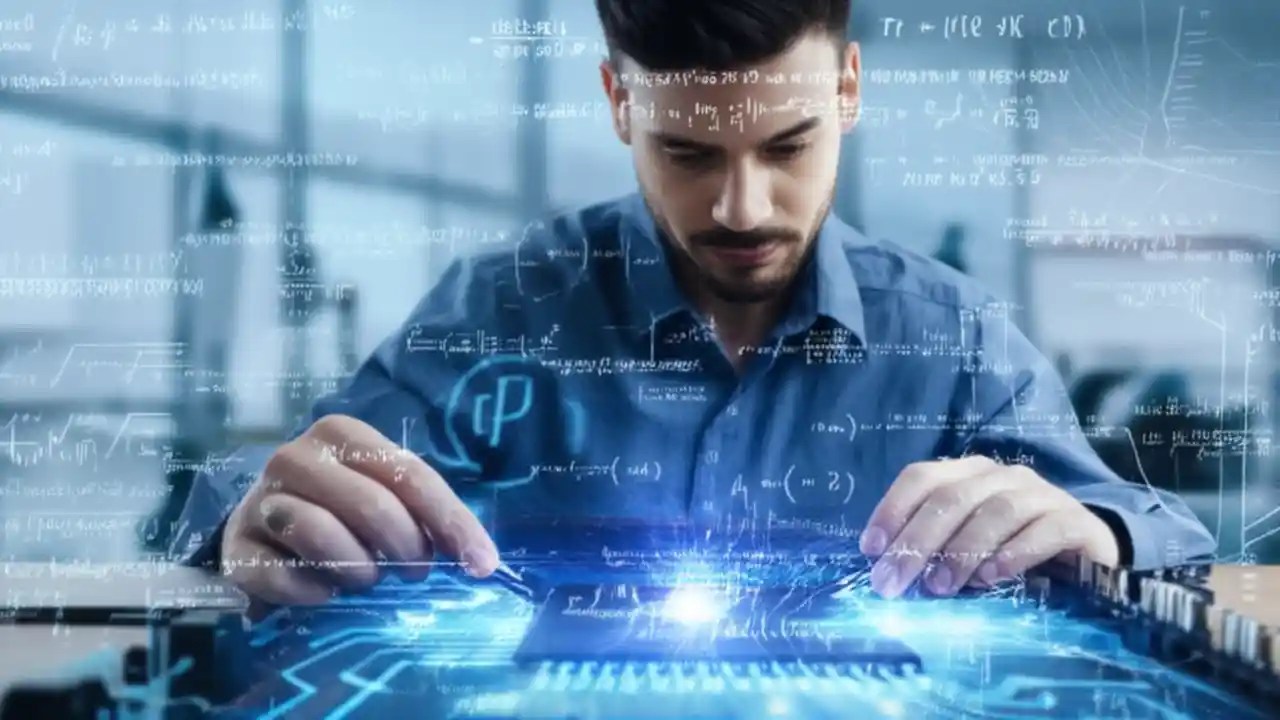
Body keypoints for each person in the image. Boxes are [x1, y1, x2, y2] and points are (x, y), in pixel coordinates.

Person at [174, 0, 1216, 610]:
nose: (739, 206)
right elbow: (272, 491)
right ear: (619, 101)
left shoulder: (954, 337)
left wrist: (1098, 533)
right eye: (685, 150)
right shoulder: (500, 309)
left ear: (846, 90)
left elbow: (1162, 535)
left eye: (788, 145)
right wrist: (247, 522)